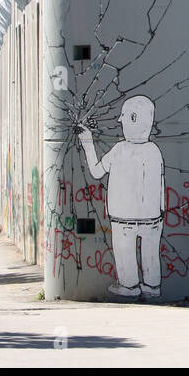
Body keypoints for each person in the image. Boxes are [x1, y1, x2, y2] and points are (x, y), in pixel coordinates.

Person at [77, 96, 165, 298]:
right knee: (151, 253)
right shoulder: (155, 151)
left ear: (132, 119)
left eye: (124, 118)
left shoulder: (119, 150)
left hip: (123, 217)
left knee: (125, 251)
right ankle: (152, 287)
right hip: (152, 216)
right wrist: (160, 210)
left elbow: (97, 172)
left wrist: (88, 144)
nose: (121, 122)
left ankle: (129, 285)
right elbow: (160, 184)